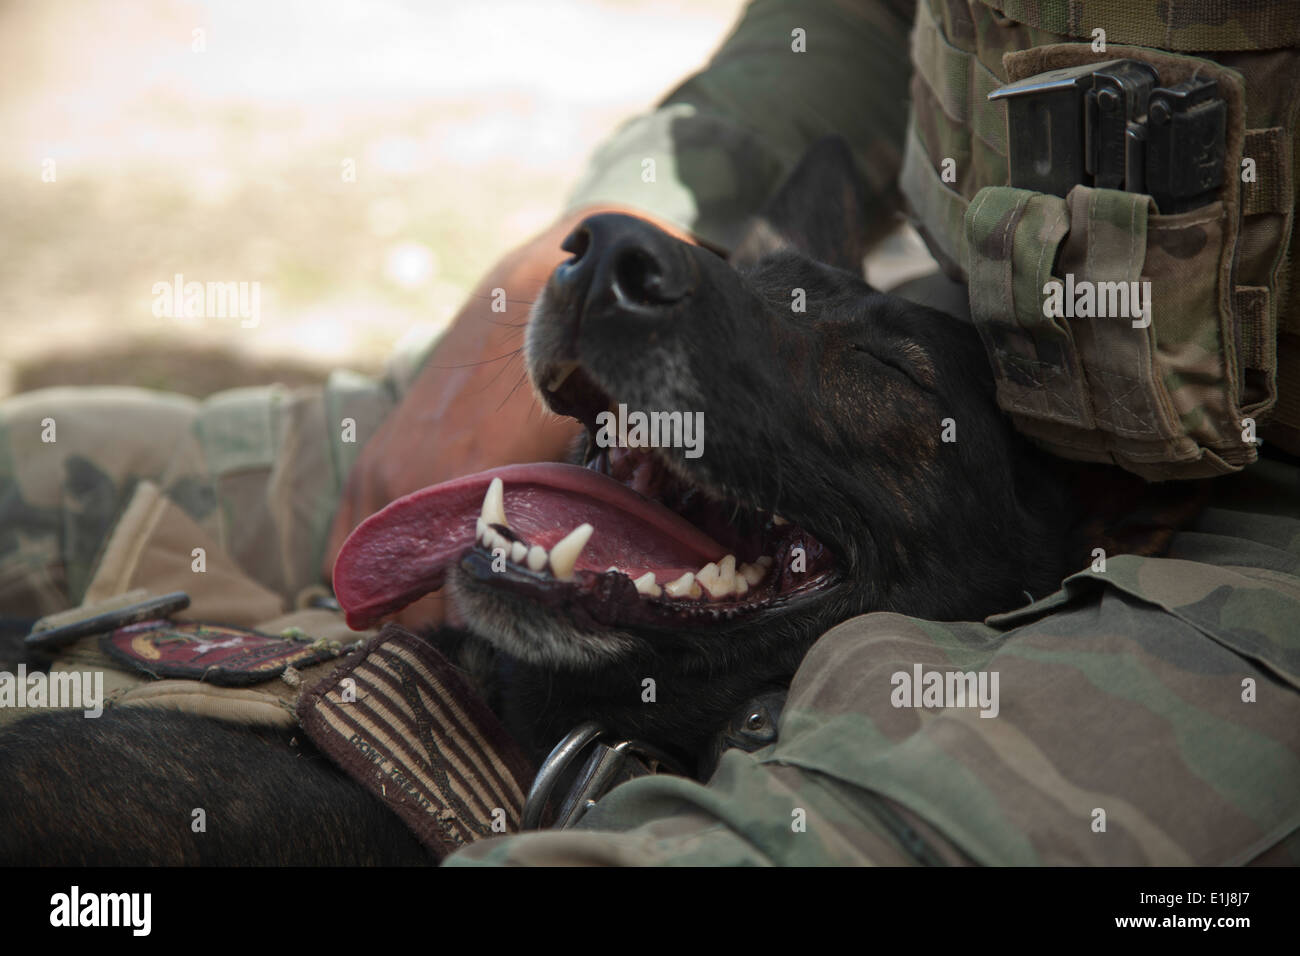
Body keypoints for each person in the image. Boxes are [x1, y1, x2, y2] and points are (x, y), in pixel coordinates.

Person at [2, 0, 1297, 865]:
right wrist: (607, 245)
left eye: (881, 375)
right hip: (969, 321)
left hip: (1252, 535)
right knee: (40, 470)